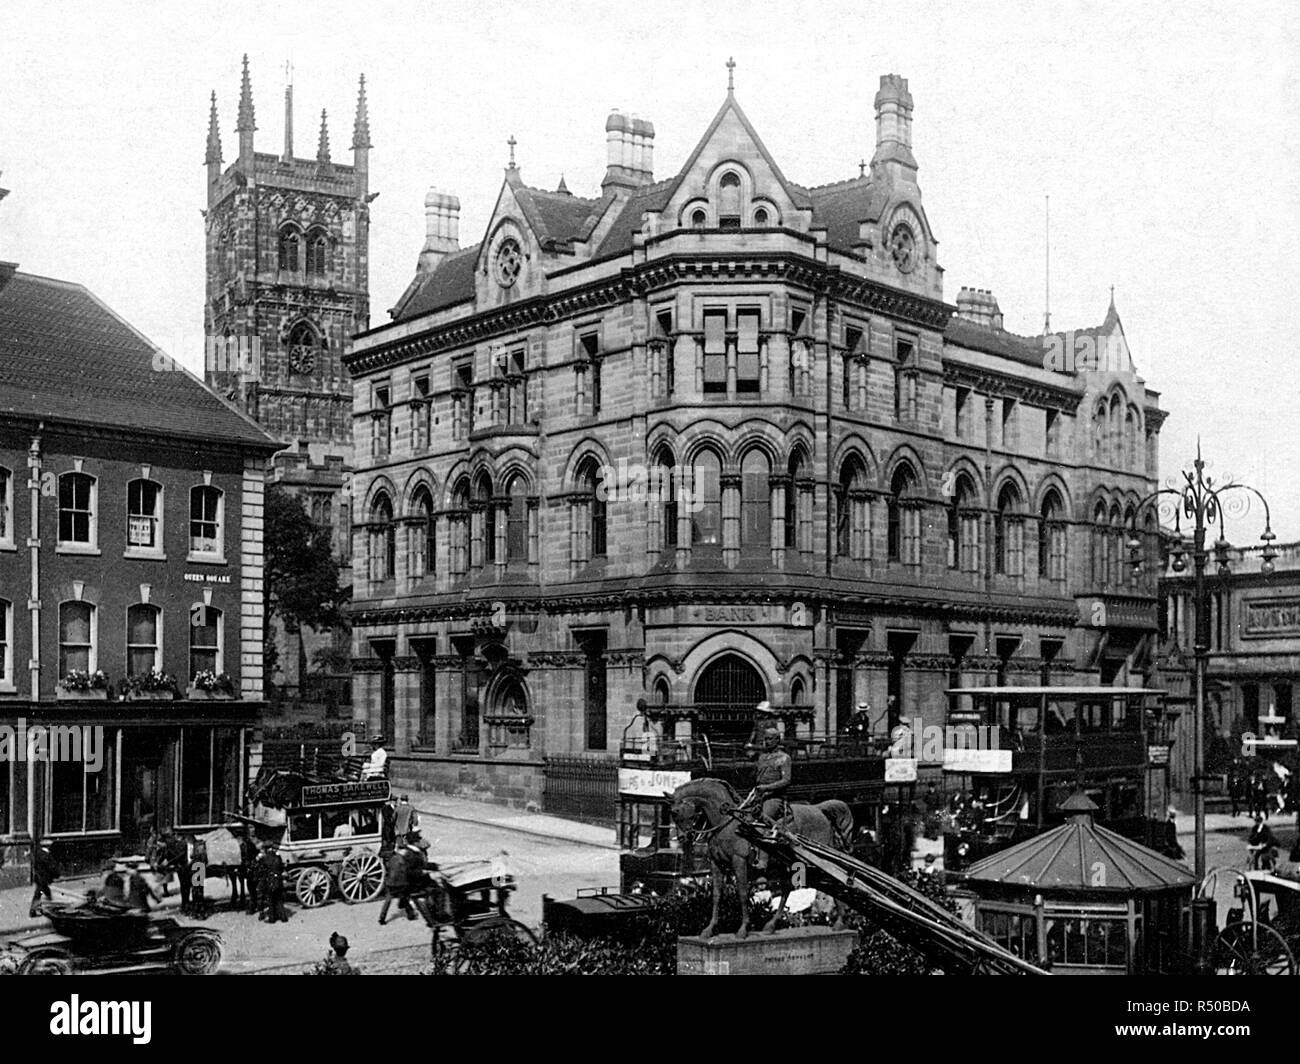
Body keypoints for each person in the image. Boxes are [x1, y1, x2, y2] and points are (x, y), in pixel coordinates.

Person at [750, 725, 792, 876]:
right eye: (765, 739)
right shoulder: (761, 758)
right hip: (760, 795)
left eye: (769, 739)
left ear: (777, 740)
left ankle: (763, 861)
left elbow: (786, 780)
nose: (766, 742)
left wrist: (767, 788)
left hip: (774, 797)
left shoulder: (784, 758)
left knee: (762, 821)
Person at [378, 846, 413, 926]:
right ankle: (410, 914)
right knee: (405, 898)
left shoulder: (392, 859)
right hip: (401, 883)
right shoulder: (403, 860)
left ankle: (382, 918)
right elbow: (406, 871)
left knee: (388, 901)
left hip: (391, 883)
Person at [29, 838, 59, 917]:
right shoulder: (46, 855)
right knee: (38, 894)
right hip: (43, 878)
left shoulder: (38, 853)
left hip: (38, 878)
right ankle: (33, 911)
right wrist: (57, 874)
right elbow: (52, 867)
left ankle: (49, 907)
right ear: (48, 847)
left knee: (46, 892)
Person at [262, 843, 289, 923]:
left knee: (270, 900)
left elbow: (263, 870)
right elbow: (281, 867)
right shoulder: (278, 857)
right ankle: (283, 917)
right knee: (279, 899)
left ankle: (272, 918)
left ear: (267, 849)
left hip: (270, 881)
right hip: (278, 880)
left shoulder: (265, 858)